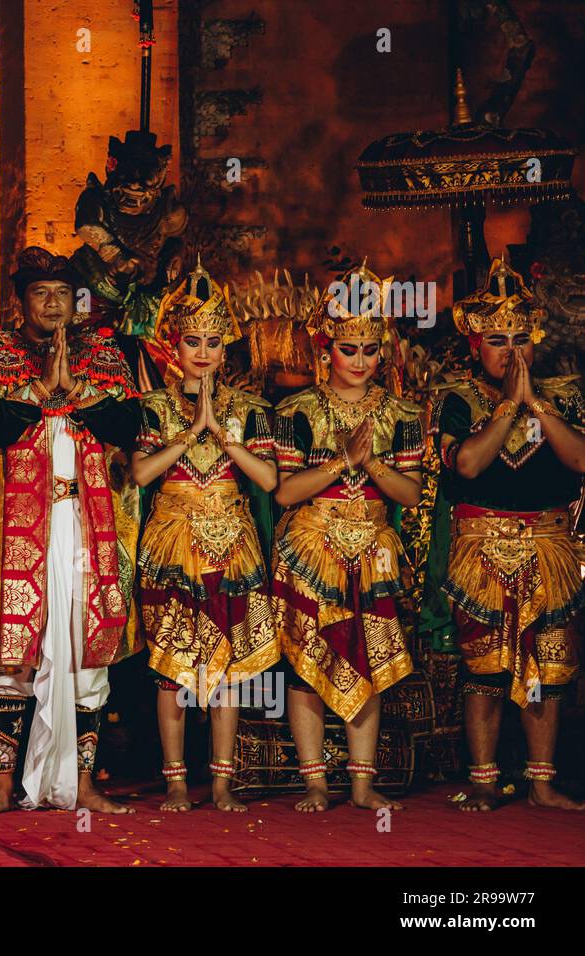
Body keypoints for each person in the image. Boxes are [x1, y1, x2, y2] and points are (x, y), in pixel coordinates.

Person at [0, 246, 140, 816]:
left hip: (86, 526)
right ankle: (0, 784)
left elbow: (130, 422)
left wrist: (72, 392)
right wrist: (42, 391)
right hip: (9, 524)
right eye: (41, 292)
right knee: (10, 655)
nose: (54, 303)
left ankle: (84, 784)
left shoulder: (104, 353)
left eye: (63, 293)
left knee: (87, 653)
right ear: (21, 299)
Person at [433, 259, 585, 812]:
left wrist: (536, 405)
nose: (512, 351)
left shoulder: (564, 396)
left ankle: (541, 781)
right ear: (475, 344)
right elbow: (467, 465)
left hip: (551, 545)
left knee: (549, 661)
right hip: (483, 547)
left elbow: (580, 459)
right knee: (487, 664)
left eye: (522, 338)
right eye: (498, 340)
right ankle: (482, 777)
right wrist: (507, 408)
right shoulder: (456, 398)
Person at [272, 261, 421, 812]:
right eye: (349, 349)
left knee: (370, 657)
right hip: (313, 546)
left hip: (375, 548)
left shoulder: (402, 412)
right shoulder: (295, 411)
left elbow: (409, 494)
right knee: (308, 662)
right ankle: (314, 781)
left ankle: (360, 784)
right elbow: (286, 494)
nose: (361, 361)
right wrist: (342, 461)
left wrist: (371, 464)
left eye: (371, 350)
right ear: (325, 347)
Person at [130, 259, 279, 812]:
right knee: (172, 665)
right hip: (171, 541)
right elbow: (141, 474)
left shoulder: (251, 410)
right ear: (174, 343)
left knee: (229, 666)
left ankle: (221, 781)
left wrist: (221, 433)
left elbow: (268, 480)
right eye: (192, 340)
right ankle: (174, 779)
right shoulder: (152, 408)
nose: (203, 352)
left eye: (213, 342)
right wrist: (191, 431)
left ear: (225, 348)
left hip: (233, 545)